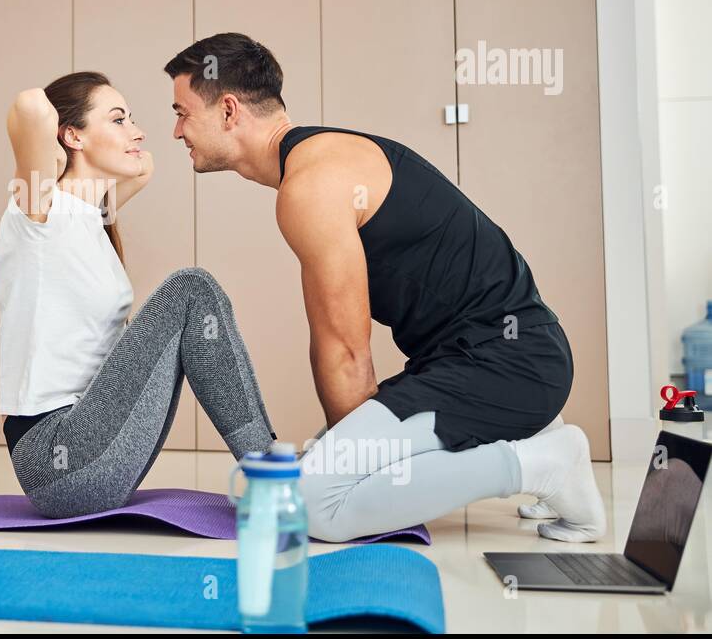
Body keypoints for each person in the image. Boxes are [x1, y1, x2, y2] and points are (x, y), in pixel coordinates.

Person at [162, 32, 606, 543]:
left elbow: (346, 352)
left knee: (309, 506)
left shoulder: (311, 185)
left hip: (510, 366)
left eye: (182, 111)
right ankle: (532, 434)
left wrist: (347, 466)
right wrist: (348, 456)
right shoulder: (322, 157)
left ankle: (546, 464)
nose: (176, 131)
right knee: (268, 489)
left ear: (229, 110)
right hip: (483, 363)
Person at [0, 71, 278, 519]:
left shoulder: (91, 217)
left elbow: (145, 167)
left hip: (96, 446)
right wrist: (52, 156)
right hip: (55, 456)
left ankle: (267, 463)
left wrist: (105, 145)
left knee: (193, 290)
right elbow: (31, 105)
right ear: (71, 135)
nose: (139, 131)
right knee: (190, 288)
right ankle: (269, 471)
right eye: (119, 119)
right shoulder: (36, 210)